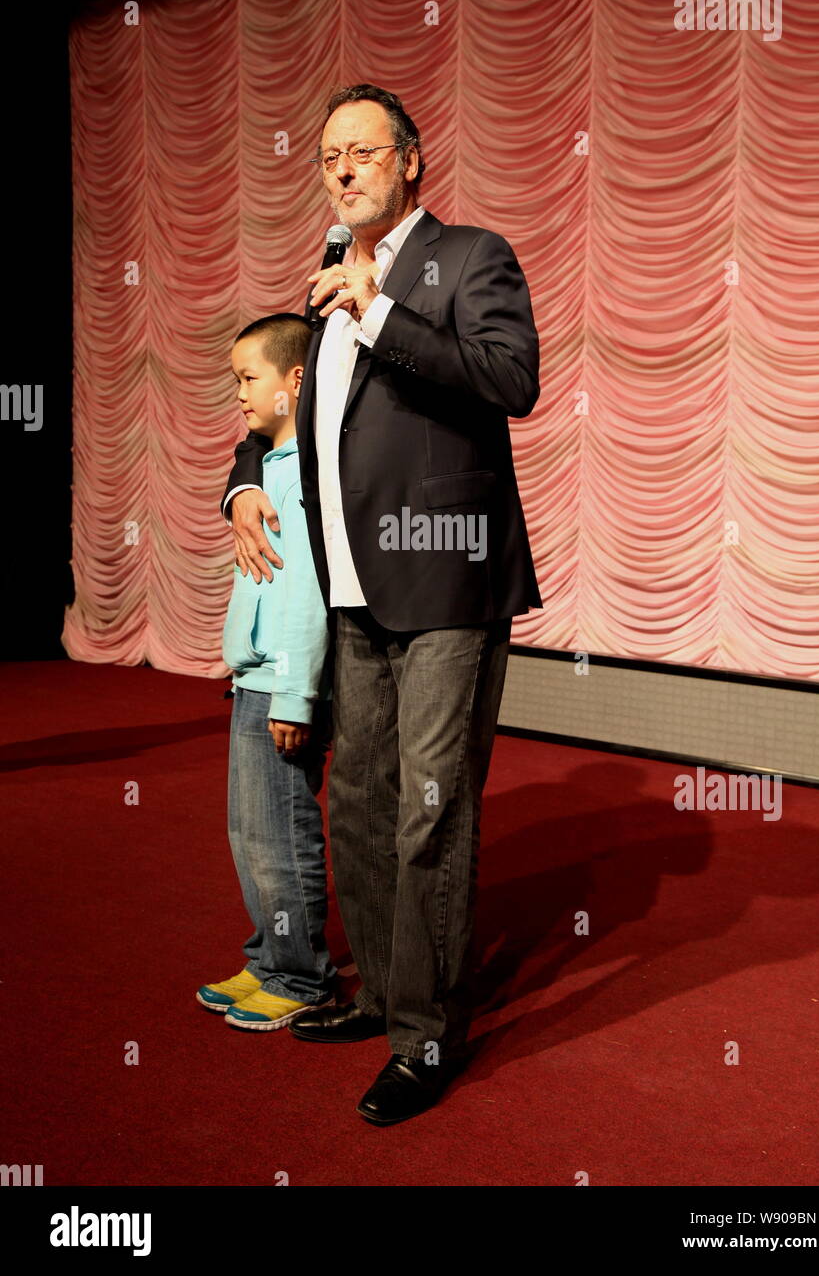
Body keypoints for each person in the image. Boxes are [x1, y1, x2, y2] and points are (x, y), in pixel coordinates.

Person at [222, 83, 542, 1120]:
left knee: (427, 813)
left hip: (446, 578)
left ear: (411, 160)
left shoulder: (470, 257)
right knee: (357, 801)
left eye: (361, 151)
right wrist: (240, 482)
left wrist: (383, 310)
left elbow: (511, 377)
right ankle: (380, 997)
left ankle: (428, 1035)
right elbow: (285, 410)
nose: (341, 168)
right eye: (327, 157)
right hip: (352, 589)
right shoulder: (322, 286)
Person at [198, 313, 337, 1030]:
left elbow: (309, 593)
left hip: (280, 686)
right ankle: (267, 957)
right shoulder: (266, 467)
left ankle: (300, 975)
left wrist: (292, 691)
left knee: (282, 835)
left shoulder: (310, 473)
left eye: (249, 379)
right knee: (249, 833)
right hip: (252, 680)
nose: (240, 394)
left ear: (296, 380)